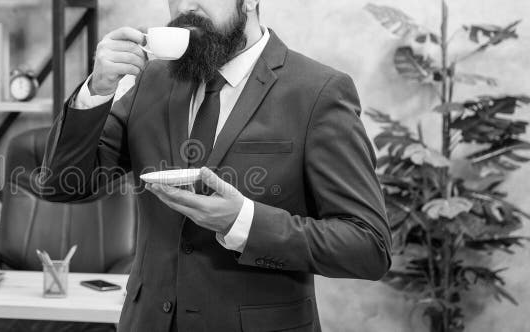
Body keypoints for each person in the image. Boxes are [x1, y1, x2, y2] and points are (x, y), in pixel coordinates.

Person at [38, 0, 392, 331]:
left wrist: (244, 223)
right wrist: (97, 90)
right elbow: (63, 185)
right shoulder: (153, 80)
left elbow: (368, 246)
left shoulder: (318, 92)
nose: (186, 6)